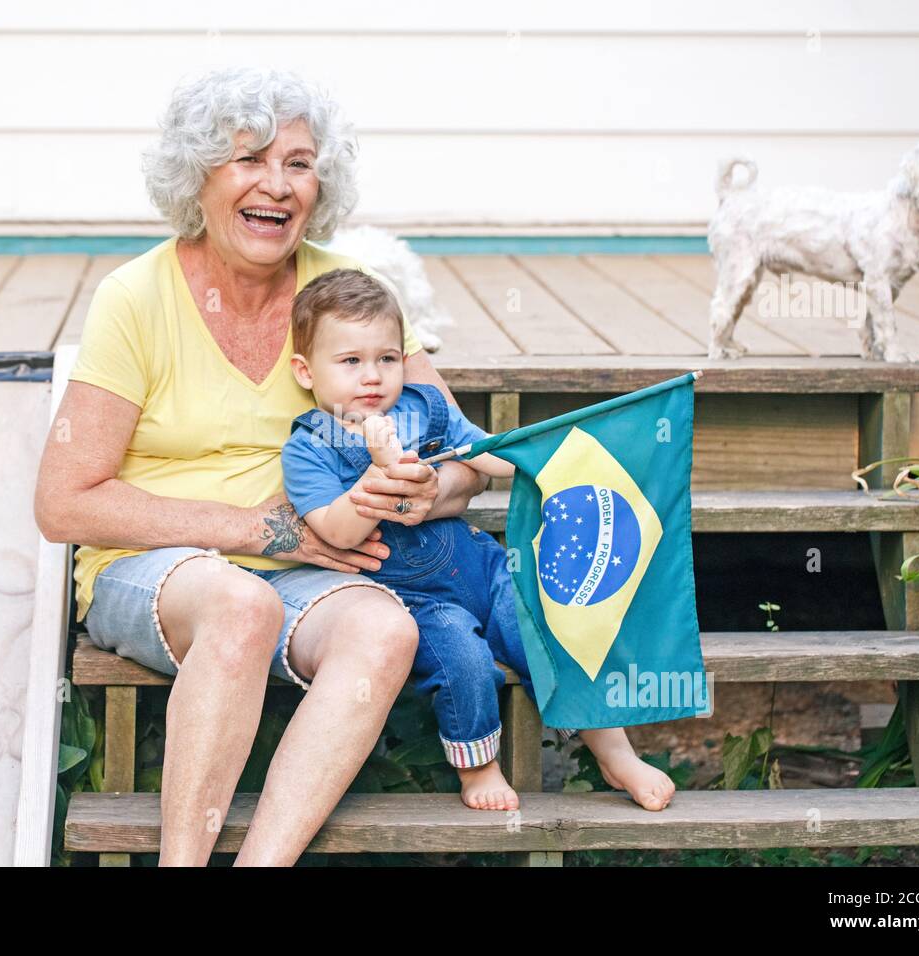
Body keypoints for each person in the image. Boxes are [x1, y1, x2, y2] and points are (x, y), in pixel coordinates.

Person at [33, 66, 490, 865]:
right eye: (248, 159)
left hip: (313, 566)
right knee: (241, 604)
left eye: (299, 163)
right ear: (199, 175)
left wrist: (430, 491)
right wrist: (260, 530)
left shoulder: (348, 294)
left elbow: (465, 459)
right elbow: (64, 502)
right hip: (159, 567)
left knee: (385, 629)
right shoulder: (135, 298)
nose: (276, 186)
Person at [279, 269, 677, 812]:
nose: (372, 376)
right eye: (350, 361)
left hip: (482, 567)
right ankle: (479, 767)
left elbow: (482, 454)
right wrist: (373, 481)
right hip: (409, 598)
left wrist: (537, 457)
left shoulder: (424, 409)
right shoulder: (309, 447)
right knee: (463, 660)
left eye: (387, 358)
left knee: (543, 624)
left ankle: (614, 750)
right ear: (305, 371)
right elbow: (334, 530)